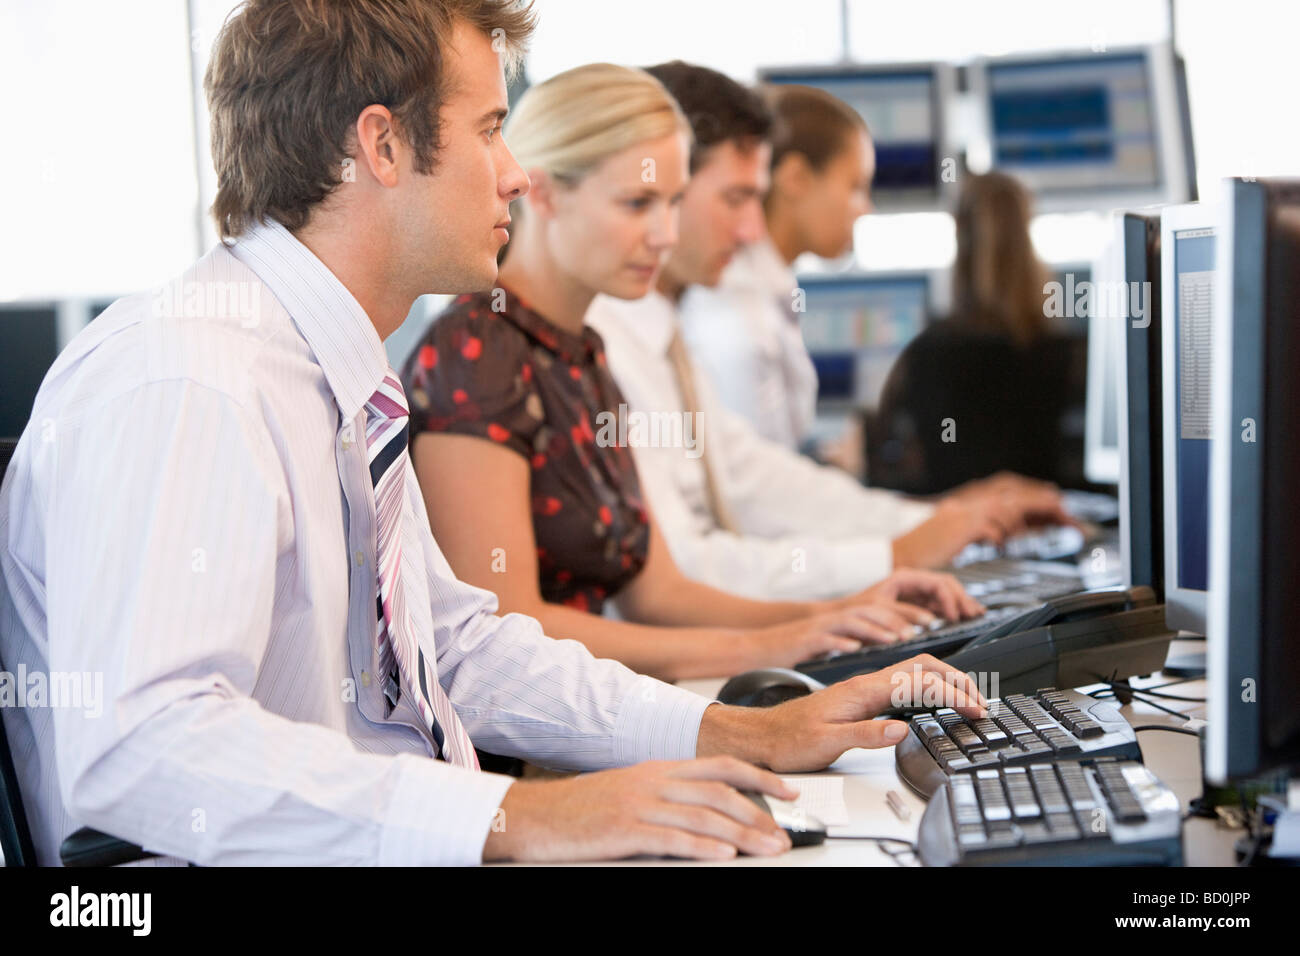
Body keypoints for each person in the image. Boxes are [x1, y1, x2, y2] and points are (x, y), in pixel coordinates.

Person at [0, 0, 987, 867]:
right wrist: (519, 815)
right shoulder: (191, 376)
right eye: (489, 130)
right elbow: (142, 745)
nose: (515, 175)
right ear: (382, 146)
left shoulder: (329, 366)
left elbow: (457, 646)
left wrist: (731, 728)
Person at [401, 63, 984, 685]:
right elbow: (504, 627)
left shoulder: (585, 353)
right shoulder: (477, 351)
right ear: (541, 194)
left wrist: (833, 615)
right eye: (637, 204)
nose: (665, 235)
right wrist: (769, 646)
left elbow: (659, 594)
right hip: (530, 742)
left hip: (606, 705)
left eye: (675, 203)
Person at [586, 62, 1076, 604]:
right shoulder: (641, 342)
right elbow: (686, 569)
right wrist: (898, 553)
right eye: (735, 198)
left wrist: (940, 520)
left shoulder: (665, 333)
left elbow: (758, 481)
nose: (753, 229)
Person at [869, 171, 1088, 494]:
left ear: (961, 241)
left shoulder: (924, 353)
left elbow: (889, 466)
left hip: (952, 532)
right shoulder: (1069, 357)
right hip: (1043, 528)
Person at [678, 83, 868, 453]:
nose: (865, 208)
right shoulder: (733, 311)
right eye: (856, 186)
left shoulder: (768, 289)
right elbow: (750, 480)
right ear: (796, 177)